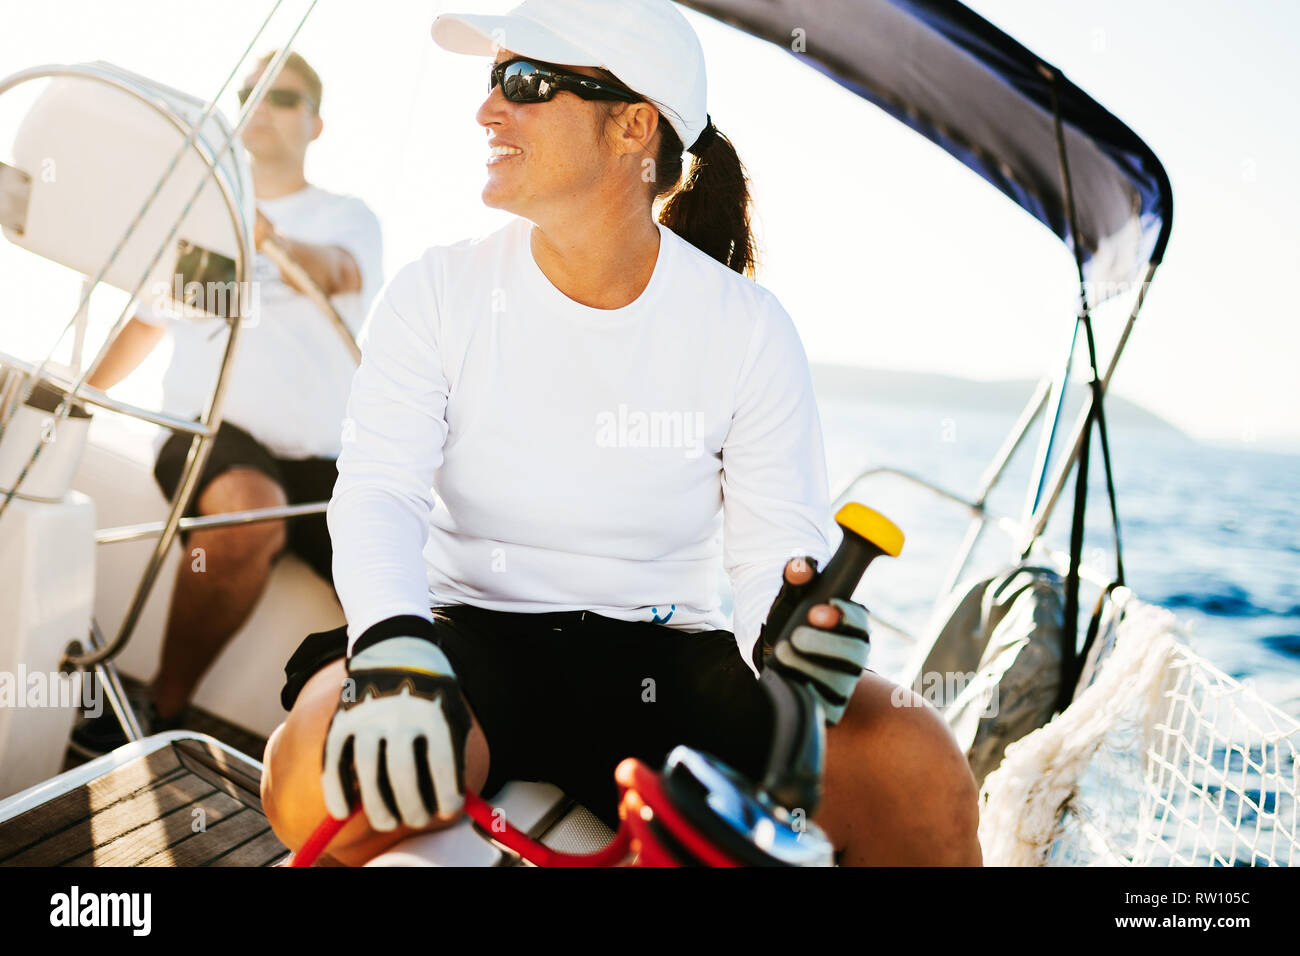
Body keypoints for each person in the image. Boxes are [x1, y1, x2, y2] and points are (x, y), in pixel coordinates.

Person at [260, 0, 982, 866]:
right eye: (492, 79)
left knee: (918, 765)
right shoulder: (437, 291)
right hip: (467, 637)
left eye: (524, 83)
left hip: (664, 659)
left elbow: (768, 556)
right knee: (313, 771)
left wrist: (794, 618)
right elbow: (378, 491)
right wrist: (391, 641)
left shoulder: (746, 326)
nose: (488, 108)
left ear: (635, 126)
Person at [73, 50, 384, 752]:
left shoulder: (346, 217)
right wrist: (73, 395)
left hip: (320, 462)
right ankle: (165, 710)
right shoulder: (200, 217)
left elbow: (338, 271)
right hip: (211, 437)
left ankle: (361, 757)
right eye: (250, 92)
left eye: (282, 95)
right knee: (248, 510)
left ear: (317, 122)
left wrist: (265, 236)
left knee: (407, 572)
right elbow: (149, 320)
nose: (261, 106)